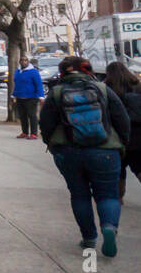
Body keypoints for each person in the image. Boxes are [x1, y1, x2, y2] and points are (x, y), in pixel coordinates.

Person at [39, 56, 129, 257]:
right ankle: (109, 227)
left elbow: (45, 124)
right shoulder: (103, 89)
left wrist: (52, 145)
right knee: (108, 194)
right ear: (87, 70)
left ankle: (89, 238)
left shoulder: (56, 92)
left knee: (79, 195)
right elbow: (122, 119)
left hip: (68, 152)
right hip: (105, 150)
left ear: (62, 73)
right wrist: (121, 143)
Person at [104, 60, 141, 198]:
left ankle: (119, 197)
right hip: (138, 135)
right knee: (138, 166)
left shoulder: (108, 89)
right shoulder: (138, 86)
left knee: (118, 169)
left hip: (117, 136)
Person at [12, 56, 45, 139]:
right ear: (19, 62)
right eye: (22, 60)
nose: (23, 62)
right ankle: (25, 132)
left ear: (28, 62)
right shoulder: (18, 71)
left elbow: (39, 84)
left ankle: (34, 133)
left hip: (31, 97)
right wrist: (13, 95)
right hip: (20, 97)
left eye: (25, 60)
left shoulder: (33, 72)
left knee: (32, 115)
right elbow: (16, 84)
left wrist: (41, 96)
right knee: (22, 116)